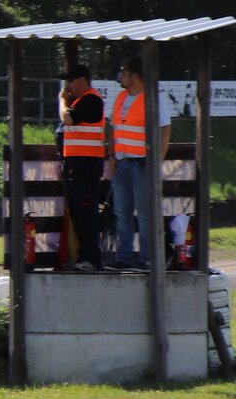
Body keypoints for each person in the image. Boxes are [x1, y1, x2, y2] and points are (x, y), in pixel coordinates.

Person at [108, 55, 171, 271]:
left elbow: (165, 130)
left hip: (143, 164)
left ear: (134, 76)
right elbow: (113, 129)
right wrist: (111, 156)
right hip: (121, 163)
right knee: (122, 212)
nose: (121, 77)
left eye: (124, 73)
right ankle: (124, 257)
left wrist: (157, 162)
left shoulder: (154, 98)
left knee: (144, 213)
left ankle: (147, 257)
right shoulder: (121, 98)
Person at [56, 65, 107, 271]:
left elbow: (67, 119)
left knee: (87, 211)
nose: (69, 85)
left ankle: (91, 257)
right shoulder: (80, 101)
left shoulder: (91, 99)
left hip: (87, 164)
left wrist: (61, 101)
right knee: (79, 212)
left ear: (83, 80)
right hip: (78, 164)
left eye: (71, 80)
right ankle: (84, 256)